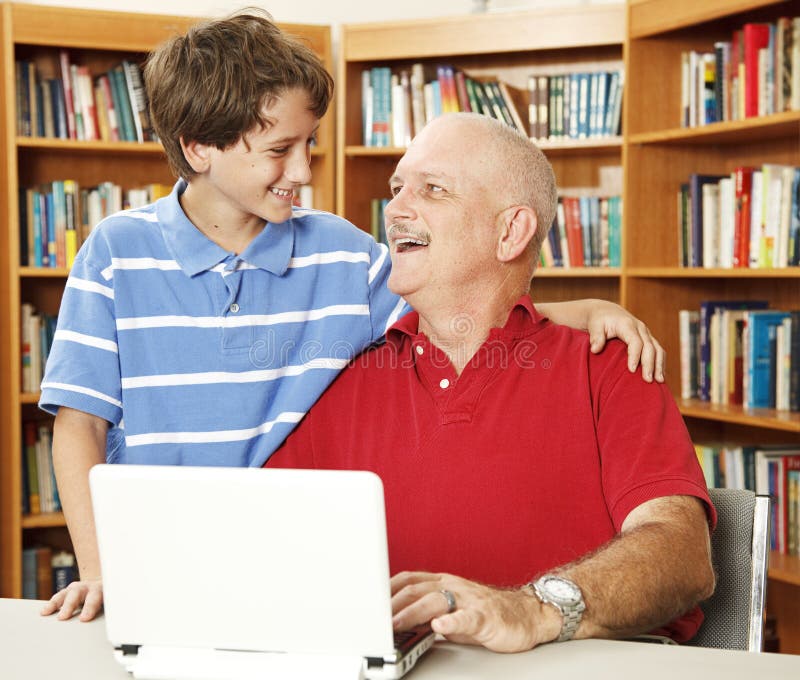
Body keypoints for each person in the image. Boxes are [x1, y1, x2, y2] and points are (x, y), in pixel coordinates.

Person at [39, 12, 663, 623]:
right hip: (154, 562)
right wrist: (98, 569)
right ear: (198, 147)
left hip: (278, 571)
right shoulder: (116, 252)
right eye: (280, 149)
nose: (304, 171)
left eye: (309, 144)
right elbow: (80, 426)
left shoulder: (339, 253)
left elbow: (451, 311)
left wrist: (581, 310)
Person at [267, 112, 716, 651]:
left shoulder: (609, 365)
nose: (396, 209)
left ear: (510, 232)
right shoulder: (353, 380)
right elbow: (261, 539)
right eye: (397, 187)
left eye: (434, 189)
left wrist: (532, 609)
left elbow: (682, 556)